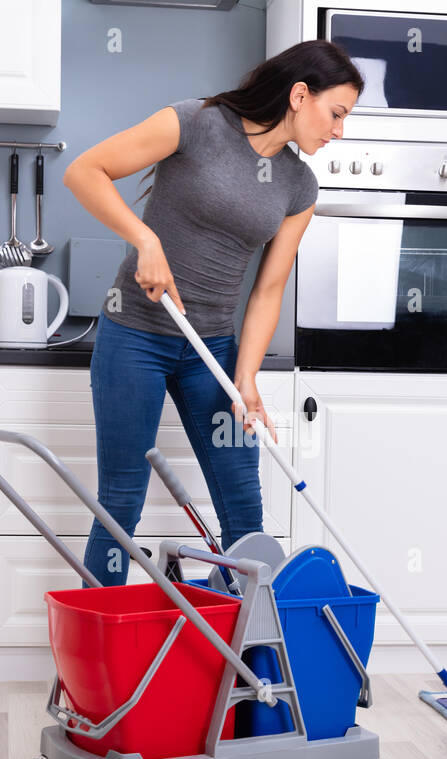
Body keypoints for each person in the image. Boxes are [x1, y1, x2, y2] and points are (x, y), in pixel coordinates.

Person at [62, 40, 363, 586]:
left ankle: (240, 659)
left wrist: (245, 378)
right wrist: (144, 238)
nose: (339, 131)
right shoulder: (196, 122)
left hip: (212, 349)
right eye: (336, 114)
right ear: (301, 95)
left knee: (244, 506)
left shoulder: (300, 186)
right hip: (136, 334)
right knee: (122, 500)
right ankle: (99, 658)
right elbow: (86, 171)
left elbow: (269, 289)